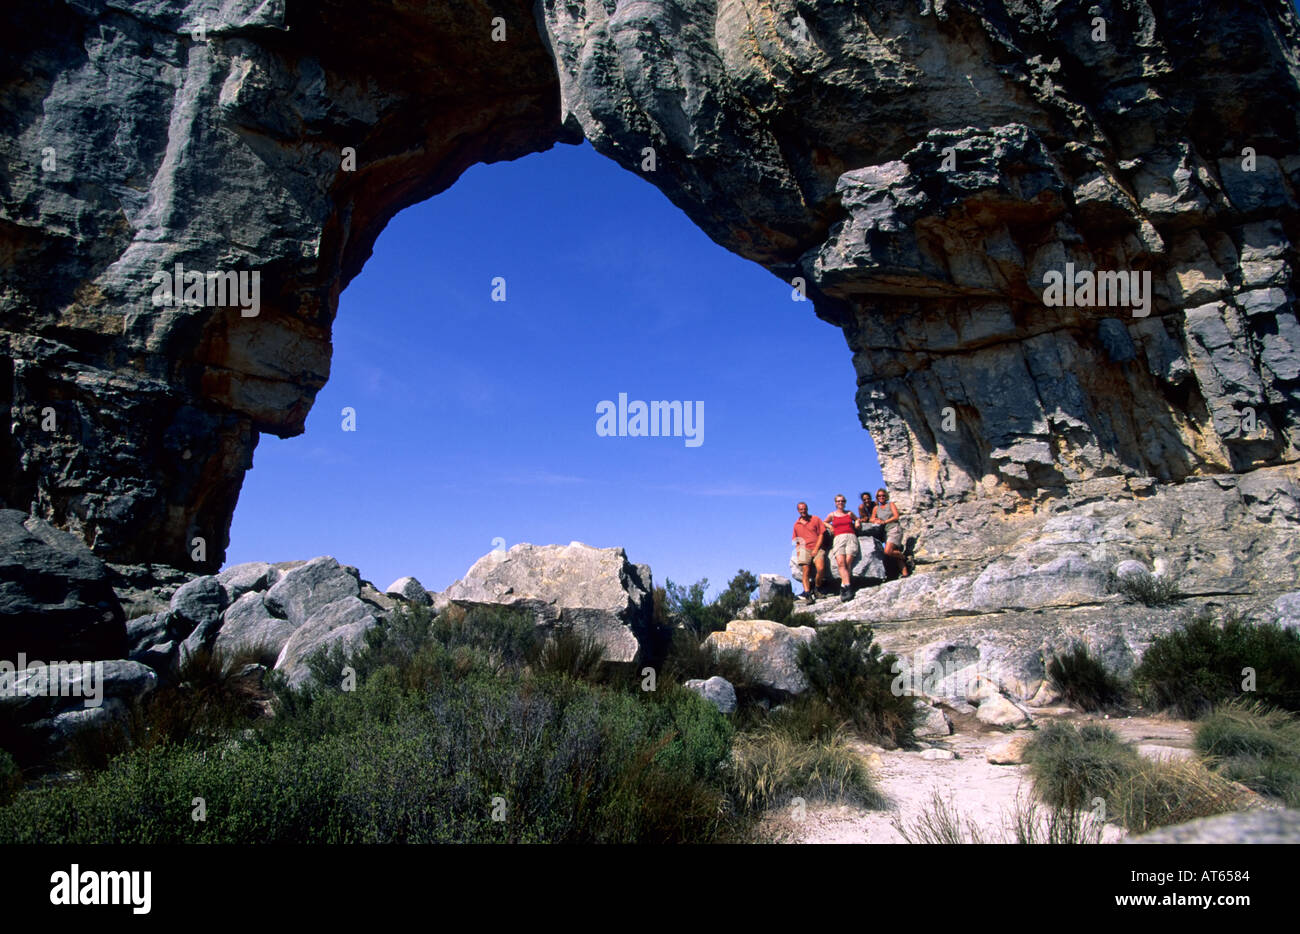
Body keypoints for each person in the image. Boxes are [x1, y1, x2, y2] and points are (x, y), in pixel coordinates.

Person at [824, 494, 860, 602]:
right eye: (838, 501)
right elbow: (824, 522)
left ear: (845, 502)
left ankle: (843, 586)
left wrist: (857, 522)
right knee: (841, 563)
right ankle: (847, 587)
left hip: (851, 537)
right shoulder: (832, 515)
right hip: (839, 539)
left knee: (848, 563)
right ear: (835, 503)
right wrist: (830, 526)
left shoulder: (849, 513)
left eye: (842, 501)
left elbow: (857, 519)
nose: (840, 503)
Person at [868, 487, 909, 577]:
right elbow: (871, 518)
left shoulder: (891, 505)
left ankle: (905, 557)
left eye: (883, 495)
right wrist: (876, 520)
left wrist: (884, 522)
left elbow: (896, 516)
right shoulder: (876, 508)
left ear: (886, 496)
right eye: (879, 496)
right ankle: (905, 573)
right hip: (886, 532)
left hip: (894, 529)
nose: (881, 497)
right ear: (877, 497)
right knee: (895, 551)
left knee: (888, 551)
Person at [791, 502, 828, 602]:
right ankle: (807, 594)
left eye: (804, 509)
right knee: (805, 571)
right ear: (798, 511)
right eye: (801, 509)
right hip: (804, 549)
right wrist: (799, 552)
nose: (803, 511)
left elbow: (821, 535)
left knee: (820, 568)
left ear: (807, 509)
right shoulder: (796, 524)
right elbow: (797, 540)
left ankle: (817, 588)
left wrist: (816, 549)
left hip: (817, 547)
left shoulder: (815, 519)